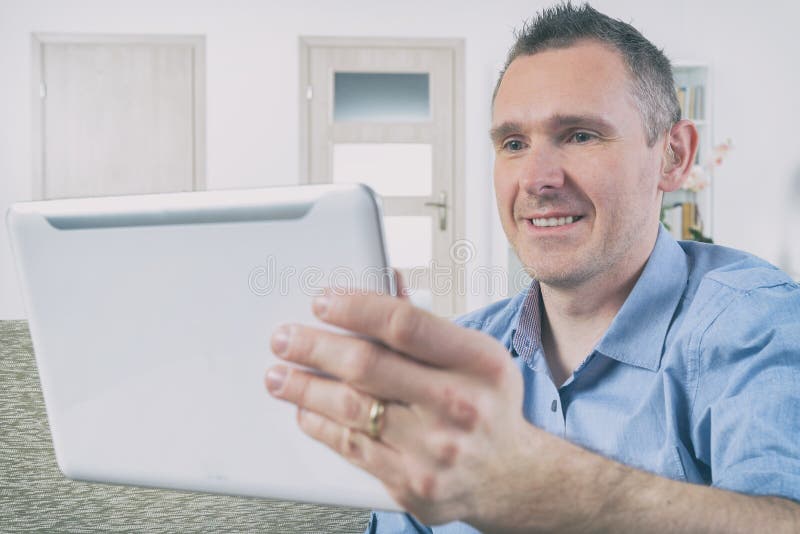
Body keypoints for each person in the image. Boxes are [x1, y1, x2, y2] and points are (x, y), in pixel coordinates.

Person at [265, 3, 800, 532]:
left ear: (673, 156)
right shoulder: (459, 359)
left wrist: (550, 489)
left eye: (580, 135)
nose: (537, 178)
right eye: (514, 144)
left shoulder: (754, 322)